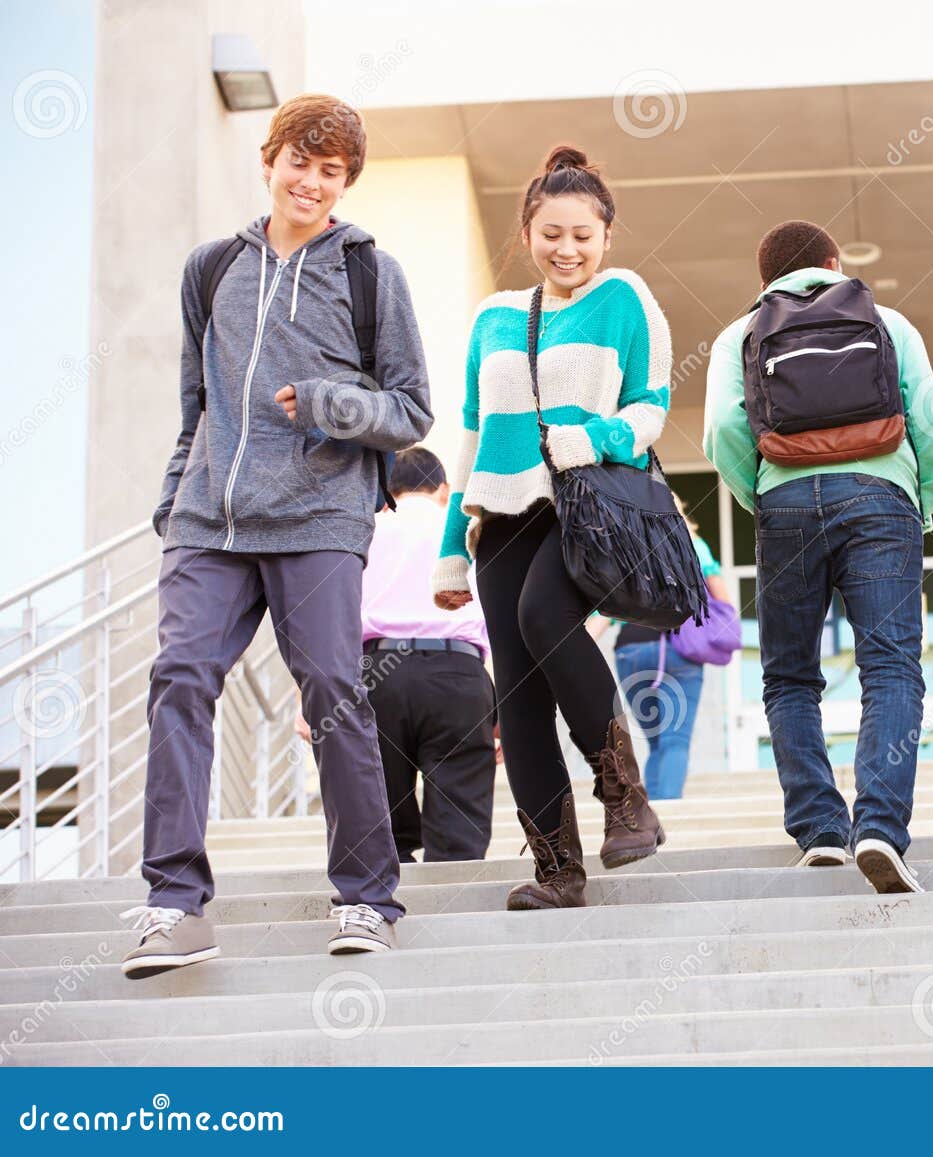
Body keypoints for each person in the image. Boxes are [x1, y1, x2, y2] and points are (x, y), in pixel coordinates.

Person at [124, 94, 432, 978]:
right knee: (180, 677)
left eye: (331, 172)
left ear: (345, 183)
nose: (312, 182)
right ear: (271, 160)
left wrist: (332, 404)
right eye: (301, 162)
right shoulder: (212, 267)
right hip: (209, 523)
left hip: (319, 518)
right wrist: (173, 503)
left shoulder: (372, 273)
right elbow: (199, 406)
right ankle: (174, 904)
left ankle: (367, 897)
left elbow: (411, 409)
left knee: (334, 688)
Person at [431, 144, 672, 913]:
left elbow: (650, 407)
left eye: (583, 235)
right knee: (519, 696)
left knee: (544, 616)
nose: (567, 249)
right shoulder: (494, 317)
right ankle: (557, 867)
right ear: (527, 232)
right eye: (551, 234)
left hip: (582, 509)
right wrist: (448, 552)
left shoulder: (625, 297)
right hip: (501, 519)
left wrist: (593, 438)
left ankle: (622, 790)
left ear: (606, 236)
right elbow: (470, 436)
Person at [704, 220, 933, 894]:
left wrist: (765, 494)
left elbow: (723, 430)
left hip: (784, 503)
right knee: (891, 667)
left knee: (789, 674)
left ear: (765, 279)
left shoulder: (743, 332)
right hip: (882, 496)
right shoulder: (886, 320)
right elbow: (931, 425)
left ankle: (820, 830)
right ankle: (879, 826)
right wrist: (918, 499)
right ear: (833, 264)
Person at [297, 447, 497, 863]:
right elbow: (500, 614)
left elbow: (329, 617)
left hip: (374, 672)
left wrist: (309, 698)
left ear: (388, 490)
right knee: (460, 819)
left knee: (379, 811)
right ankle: (453, 908)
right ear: (443, 489)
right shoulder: (469, 531)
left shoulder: (362, 530)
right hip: (457, 669)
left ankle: (386, 905)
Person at [606, 493, 732, 800]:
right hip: (679, 649)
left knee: (656, 742)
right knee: (675, 741)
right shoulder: (693, 545)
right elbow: (723, 601)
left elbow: (606, 611)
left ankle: (651, 814)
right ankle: (669, 814)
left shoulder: (625, 550)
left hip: (630, 651)